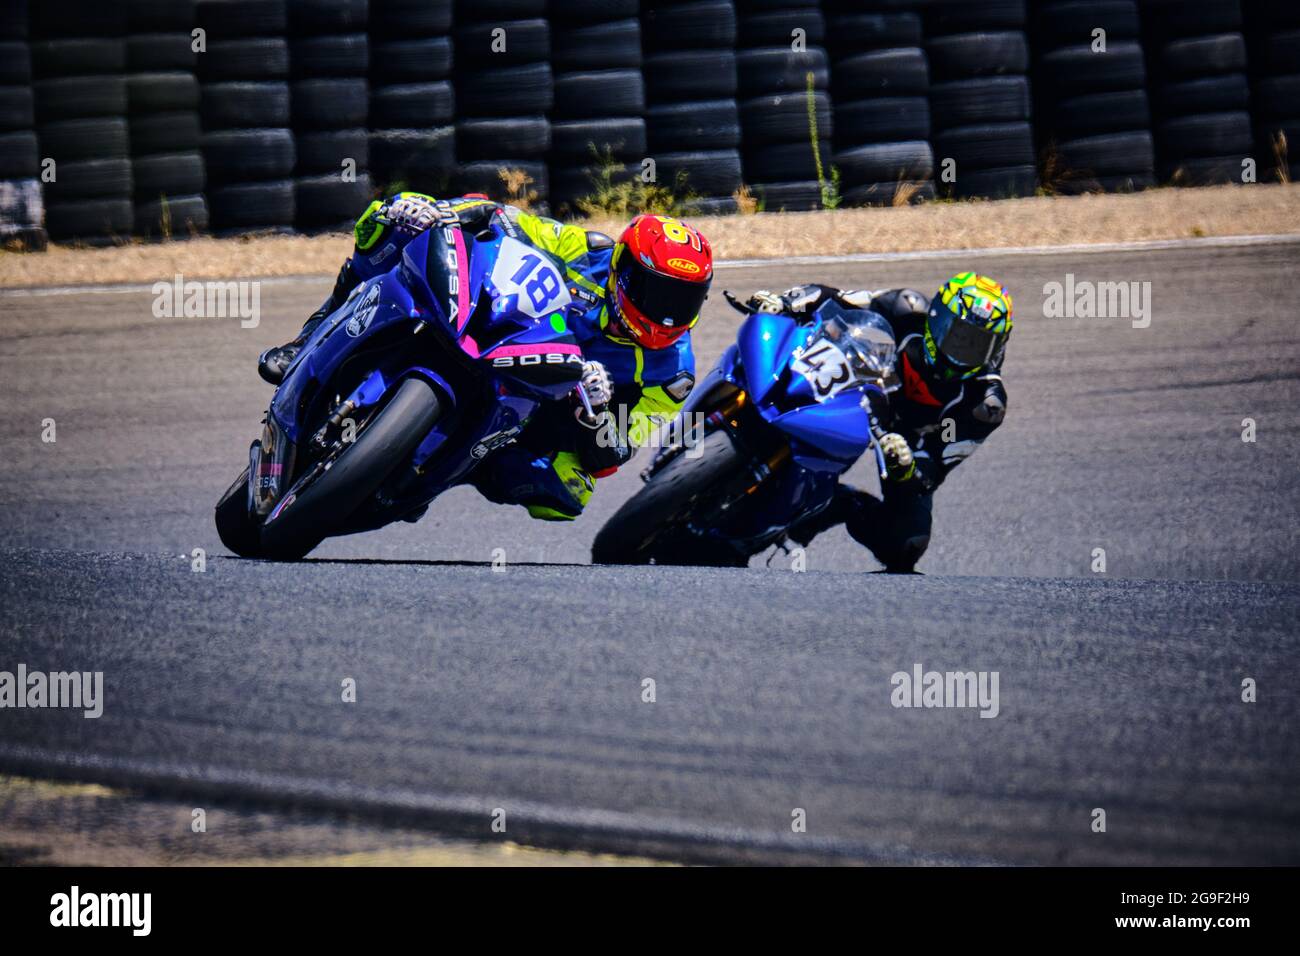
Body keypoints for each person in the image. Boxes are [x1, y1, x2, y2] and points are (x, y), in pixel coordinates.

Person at [258, 192, 713, 521]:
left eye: (685, 300)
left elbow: (615, 452)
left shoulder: (673, 374)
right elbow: (502, 216)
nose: (669, 313)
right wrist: (441, 212)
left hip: (547, 404)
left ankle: (445, 468)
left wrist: (595, 415)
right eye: (658, 293)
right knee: (389, 220)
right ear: (623, 269)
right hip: (498, 322)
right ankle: (308, 337)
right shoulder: (589, 252)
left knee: (567, 492)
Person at [745, 273, 1012, 571]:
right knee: (785, 381)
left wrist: (907, 467)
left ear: (996, 347)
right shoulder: (905, 307)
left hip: (906, 441)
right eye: (958, 336)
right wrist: (788, 301)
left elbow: (937, 464)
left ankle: (838, 504)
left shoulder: (985, 404)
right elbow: (838, 298)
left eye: (978, 345)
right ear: (936, 318)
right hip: (861, 386)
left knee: (906, 543)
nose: (961, 351)